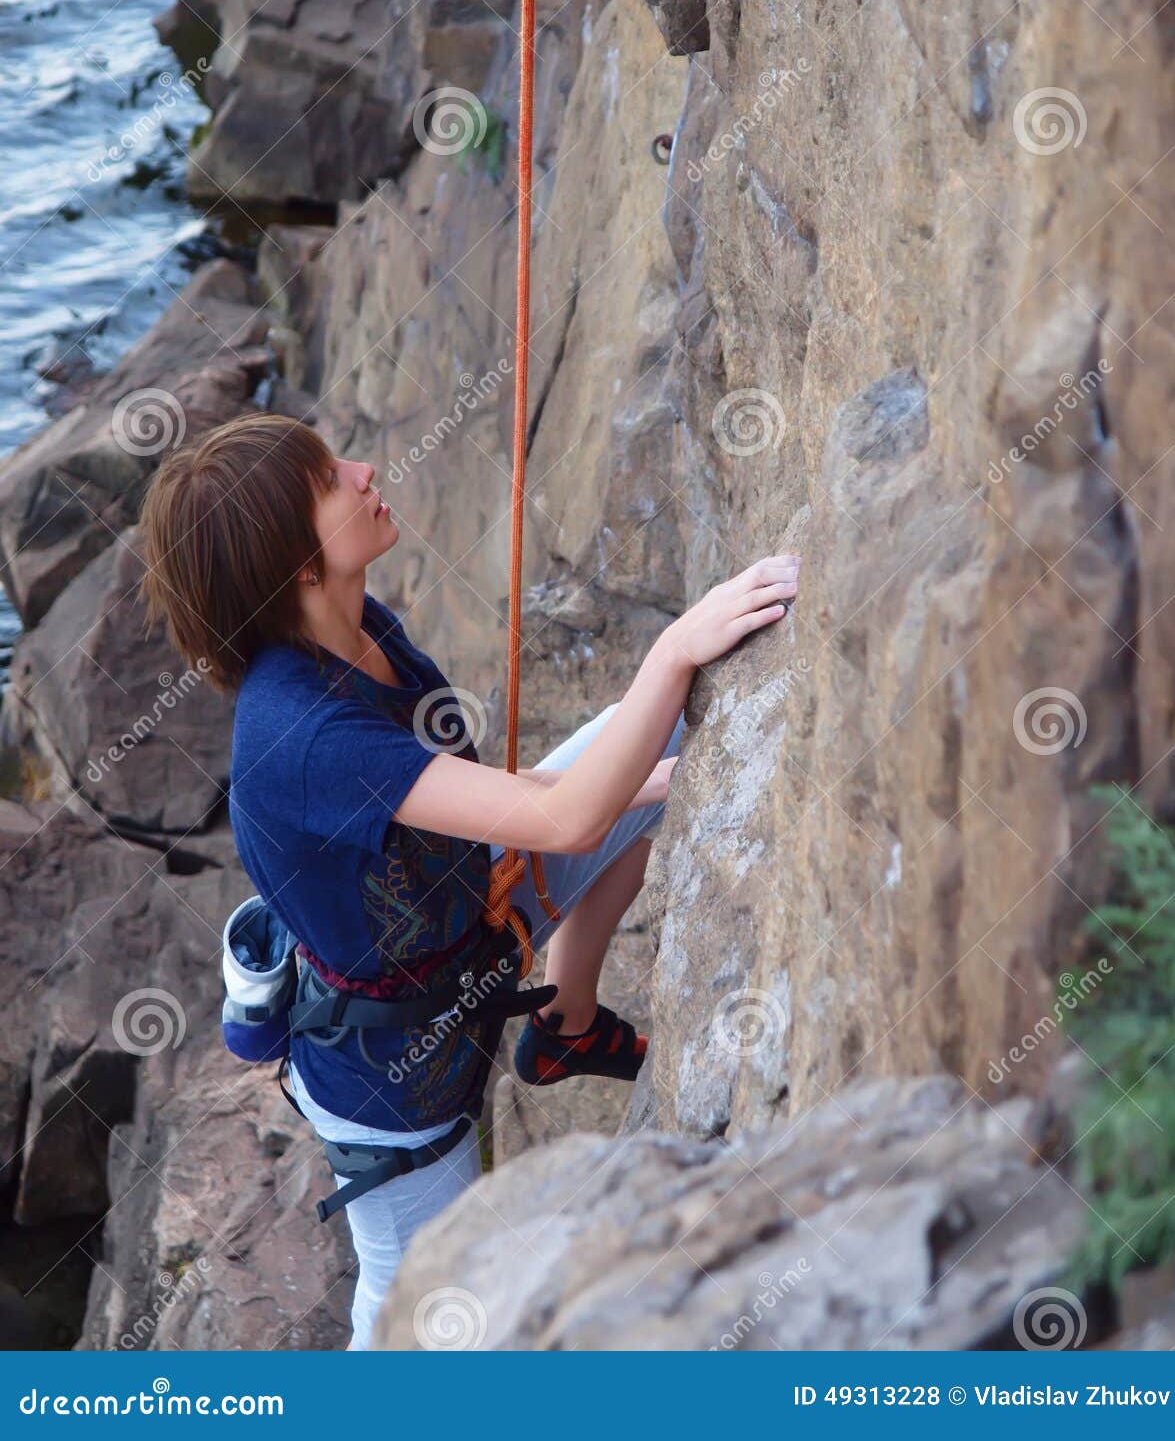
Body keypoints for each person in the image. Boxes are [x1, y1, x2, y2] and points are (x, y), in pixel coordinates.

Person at [139, 413, 799, 1348]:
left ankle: (563, 1024)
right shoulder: (305, 736)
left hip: (468, 915)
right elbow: (566, 822)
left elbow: (498, 800)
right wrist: (672, 649)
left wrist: (642, 777)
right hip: (397, 1081)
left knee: (657, 736)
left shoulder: (356, 625)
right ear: (296, 562)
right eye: (333, 477)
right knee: (430, 1318)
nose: (369, 469)